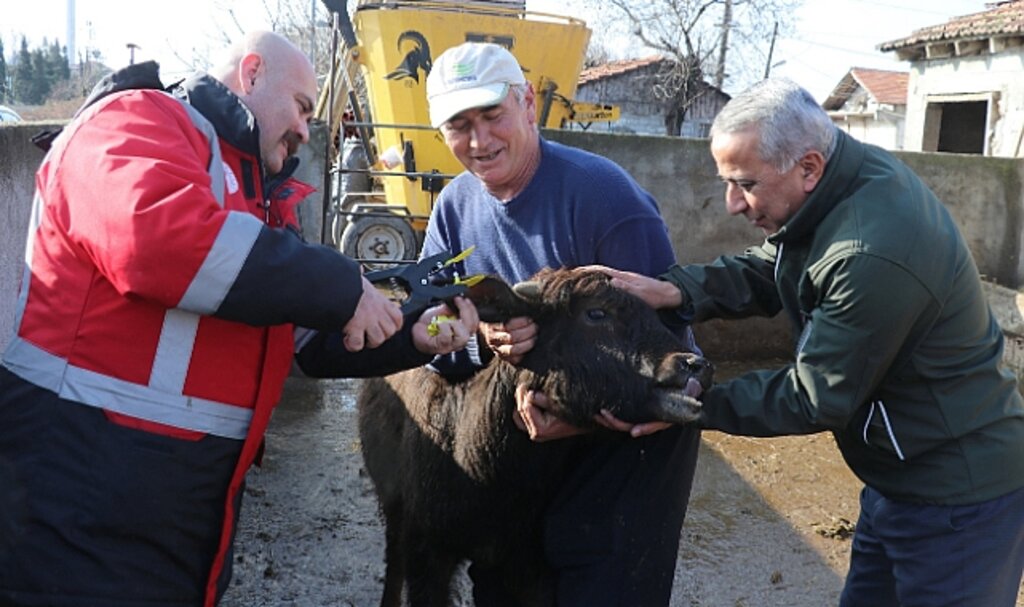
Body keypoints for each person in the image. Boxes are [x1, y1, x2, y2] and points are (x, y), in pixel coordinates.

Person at [0, 31, 477, 607]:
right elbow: (151, 241)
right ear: (251, 73)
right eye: (302, 106)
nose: (306, 129)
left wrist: (412, 335)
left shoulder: (260, 194)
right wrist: (335, 282)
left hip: (180, 506)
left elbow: (302, 339)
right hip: (76, 495)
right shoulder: (135, 118)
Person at [597, 77, 1024, 607]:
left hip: (957, 498)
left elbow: (815, 396)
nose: (732, 203)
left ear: (808, 168)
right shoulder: (839, 186)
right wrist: (676, 290)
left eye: (745, 184)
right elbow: (783, 263)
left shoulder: (870, 251)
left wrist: (687, 404)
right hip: (899, 476)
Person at [421, 41, 702, 605]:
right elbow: (427, 331)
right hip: (523, 460)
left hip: (617, 462)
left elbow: (671, 365)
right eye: (459, 124)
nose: (479, 141)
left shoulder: (604, 199)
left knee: (601, 587)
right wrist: (480, 338)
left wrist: (576, 421)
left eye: (492, 115)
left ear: (527, 104)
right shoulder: (453, 207)